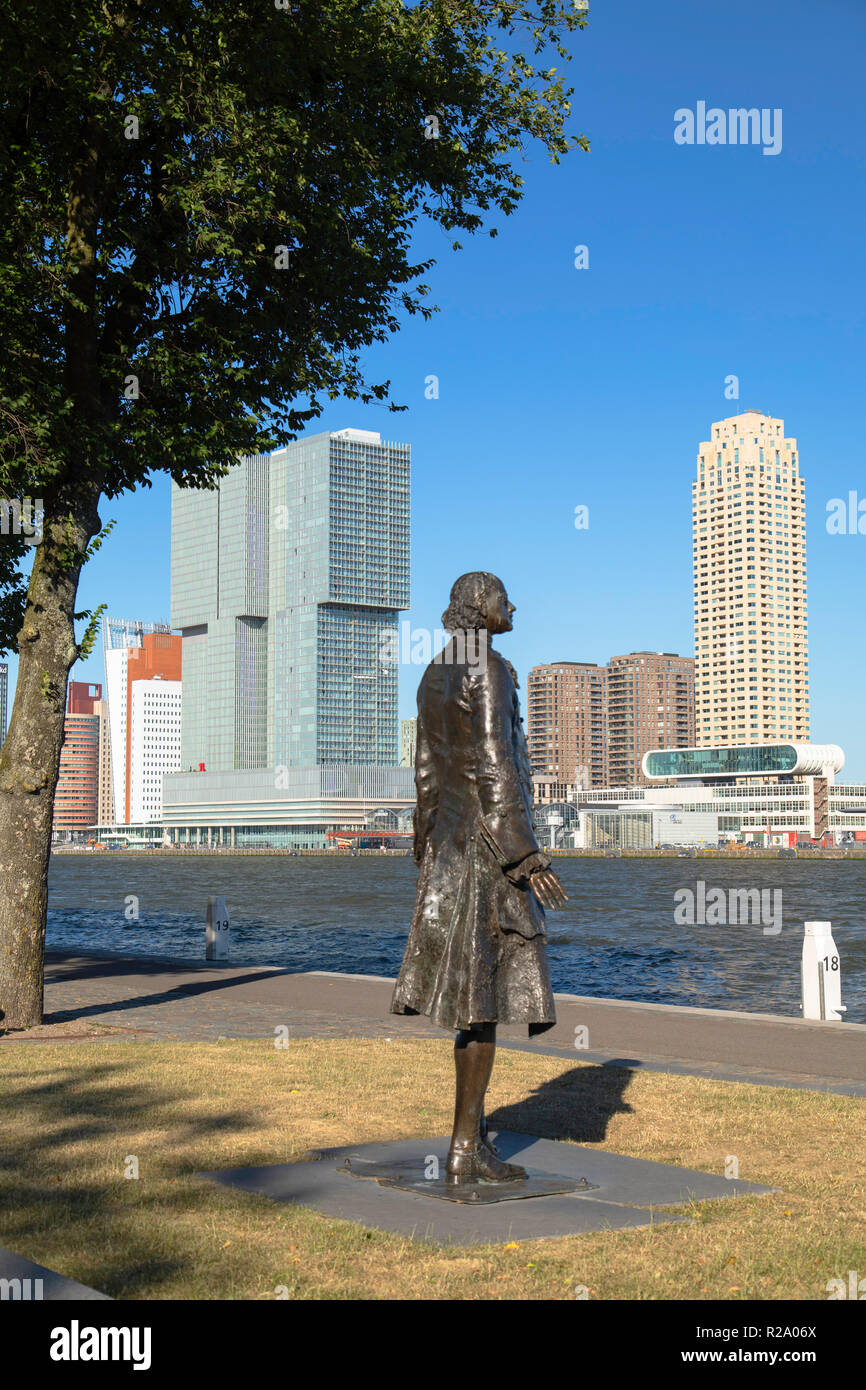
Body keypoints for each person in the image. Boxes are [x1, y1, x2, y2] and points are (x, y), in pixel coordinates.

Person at [391, 572, 568, 1184]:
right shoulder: (487, 669)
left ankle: (470, 1141)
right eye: (501, 598)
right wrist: (525, 855)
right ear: (477, 608)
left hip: (446, 849)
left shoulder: (433, 671)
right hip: (485, 854)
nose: (511, 605)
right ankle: (467, 1148)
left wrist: (425, 850)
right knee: (484, 1003)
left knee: (472, 1004)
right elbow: (497, 764)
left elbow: (424, 772)